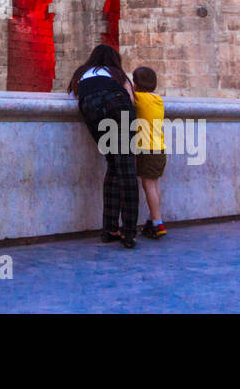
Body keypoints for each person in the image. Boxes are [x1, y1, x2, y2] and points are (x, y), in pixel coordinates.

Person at [69, 44, 138, 248]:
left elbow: (77, 95)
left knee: (113, 166)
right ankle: (129, 232)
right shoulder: (116, 74)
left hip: (91, 108)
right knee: (126, 169)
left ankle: (109, 229)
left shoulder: (82, 73)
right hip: (118, 106)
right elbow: (131, 100)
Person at [131, 66, 167, 239]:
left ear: (137, 83)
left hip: (147, 148)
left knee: (148, 185)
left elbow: (127, 94)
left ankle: (157, 222)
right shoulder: (157, 99)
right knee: (155, 184)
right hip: (160, 148)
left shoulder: (140, 98)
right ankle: (153, 221)